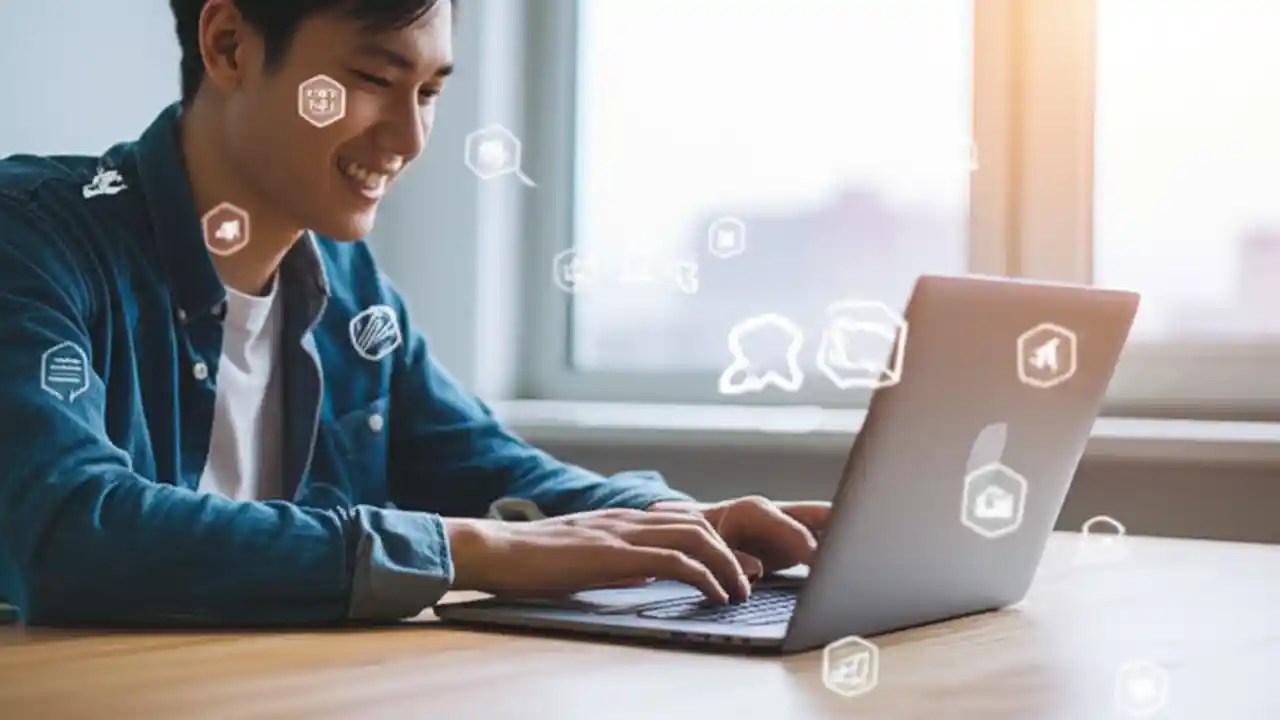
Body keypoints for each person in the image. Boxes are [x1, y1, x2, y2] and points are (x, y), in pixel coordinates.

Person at [0, 0, 829, 626]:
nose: (408, 135)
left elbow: (490, 471)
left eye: (429, 90)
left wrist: (673, 520)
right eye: (372, 80)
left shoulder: (345, 284)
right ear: (228, 46)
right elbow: (71, 533)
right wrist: (464, 548)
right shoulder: (32, 237)